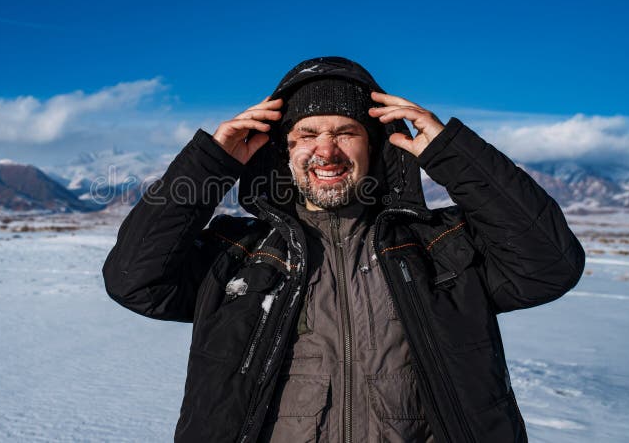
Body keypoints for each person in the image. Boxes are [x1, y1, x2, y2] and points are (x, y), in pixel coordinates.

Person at [102, 56, 585, 443]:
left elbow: (549, 265)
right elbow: (135, 281)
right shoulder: (240, 253)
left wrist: (452, 152)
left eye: (346, 133)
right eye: (307, 134)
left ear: (374, 149)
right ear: (282, 151)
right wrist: (210, 162)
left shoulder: (437, 246)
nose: (326, 151)